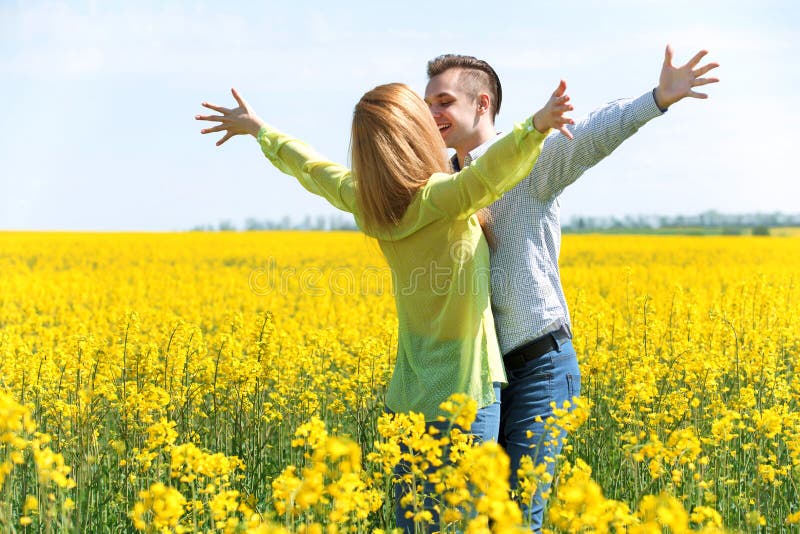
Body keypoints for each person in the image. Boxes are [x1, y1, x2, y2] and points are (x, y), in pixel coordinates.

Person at [196, 80, 574, 532]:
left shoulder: (367, 204)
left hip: (408, 400)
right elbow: (491, 172)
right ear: (416, 133)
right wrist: (535, 127)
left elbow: (313, 169)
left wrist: (260, 130)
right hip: (466, 395)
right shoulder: (440, 198)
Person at [424, 45, 719, 532]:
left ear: (482, 104)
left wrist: (656, 99)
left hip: (538, 365)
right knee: (476, 519)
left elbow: (589, 135)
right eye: (428, 104)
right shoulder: (441, 182)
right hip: (477, 375)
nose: (432, 113)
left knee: (519, 519)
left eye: (444, 102)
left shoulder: (526, 159)